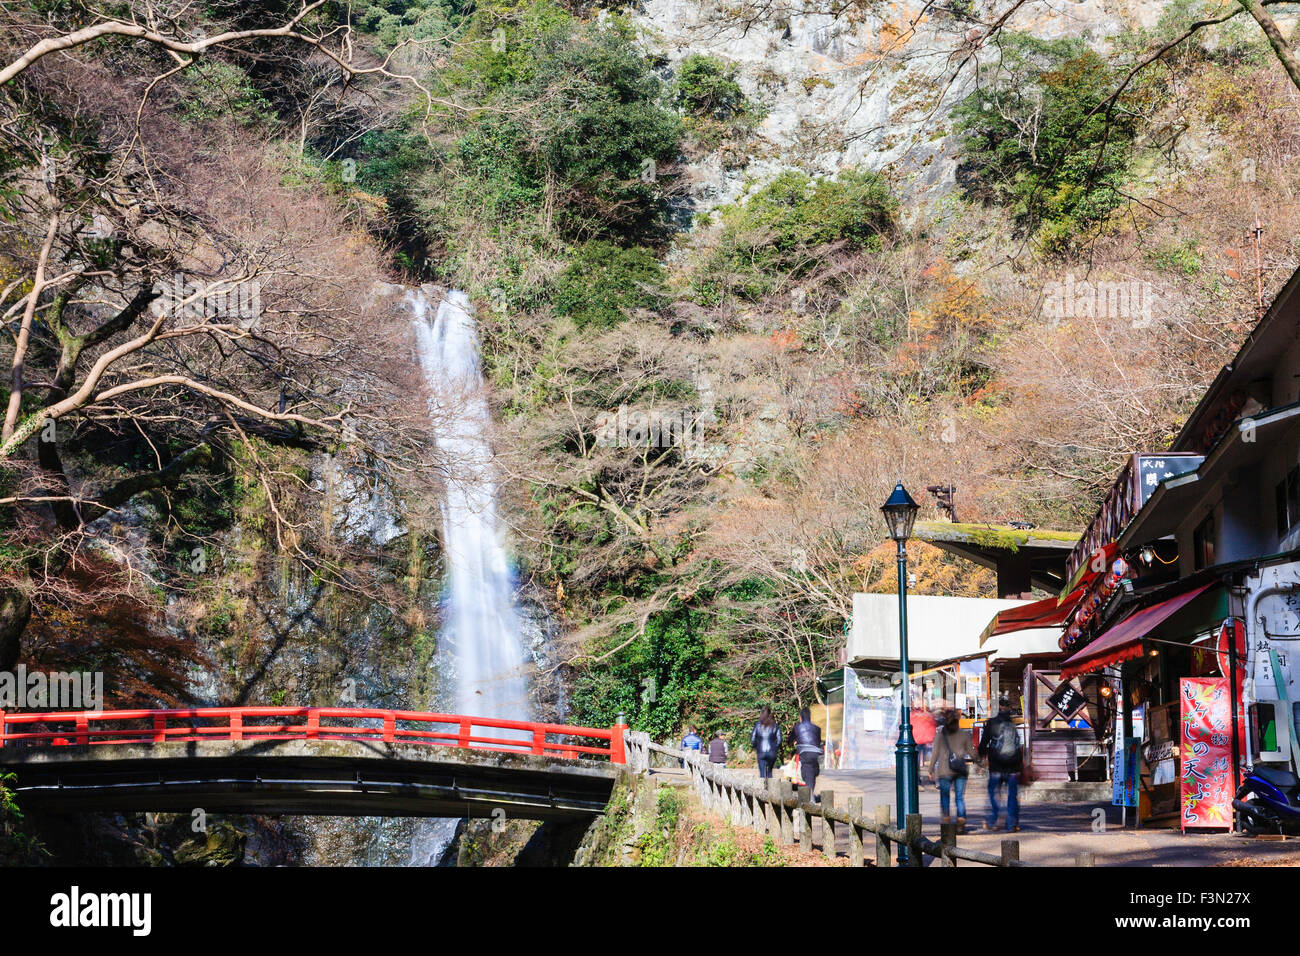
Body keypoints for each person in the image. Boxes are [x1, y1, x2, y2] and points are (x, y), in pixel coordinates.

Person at [978, 696, 1023, 832]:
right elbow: (1018, 745)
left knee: (993, 794)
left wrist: (981, 759)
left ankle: (995, 820)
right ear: (1008, 708)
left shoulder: (992, 723)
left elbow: (983, 745)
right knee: (1012, 796)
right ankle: (1011, 824)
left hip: (996, 766)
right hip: (1013, 767)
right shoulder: (1012, 723)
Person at [929, 709, 972, 831]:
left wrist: (931, 769)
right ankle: (961, 821)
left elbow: (935, 753)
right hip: (960, 770)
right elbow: (972, 753)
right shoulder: (964, 734)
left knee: (945, 796)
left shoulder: (940, 735)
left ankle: (946, 821)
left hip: (944, 770)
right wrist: (980, 762)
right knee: (959, 797)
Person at [789, 706, 825, 797]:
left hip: (805, 753)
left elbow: (789, 741)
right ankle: (810, 795)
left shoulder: (797, 727)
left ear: (800, 717)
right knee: (812, 773)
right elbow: (818, 742)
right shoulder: (817, 728)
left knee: (807, 773)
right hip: (816, 753)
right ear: (810, 717)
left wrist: (792, 746)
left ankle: (809, 798)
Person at [751, 706, 782, 780]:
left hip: (761, 751)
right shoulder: (774, 725)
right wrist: (775, 747)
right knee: (770, 773)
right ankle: (771, 789)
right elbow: (779, 739)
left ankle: (763, 789)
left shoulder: (757, 724)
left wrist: (756, 747)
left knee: (762, 774)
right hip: (772, 751)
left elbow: (753, 739)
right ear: (770, 714)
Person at [910, 703, 937, 788]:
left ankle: (917, 780)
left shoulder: (912, 716)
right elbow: (933, 726)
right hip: (927, 740)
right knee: (932, 760)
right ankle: (934, 778)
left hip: (916, 741)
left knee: (916, 762)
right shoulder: (927, 716)